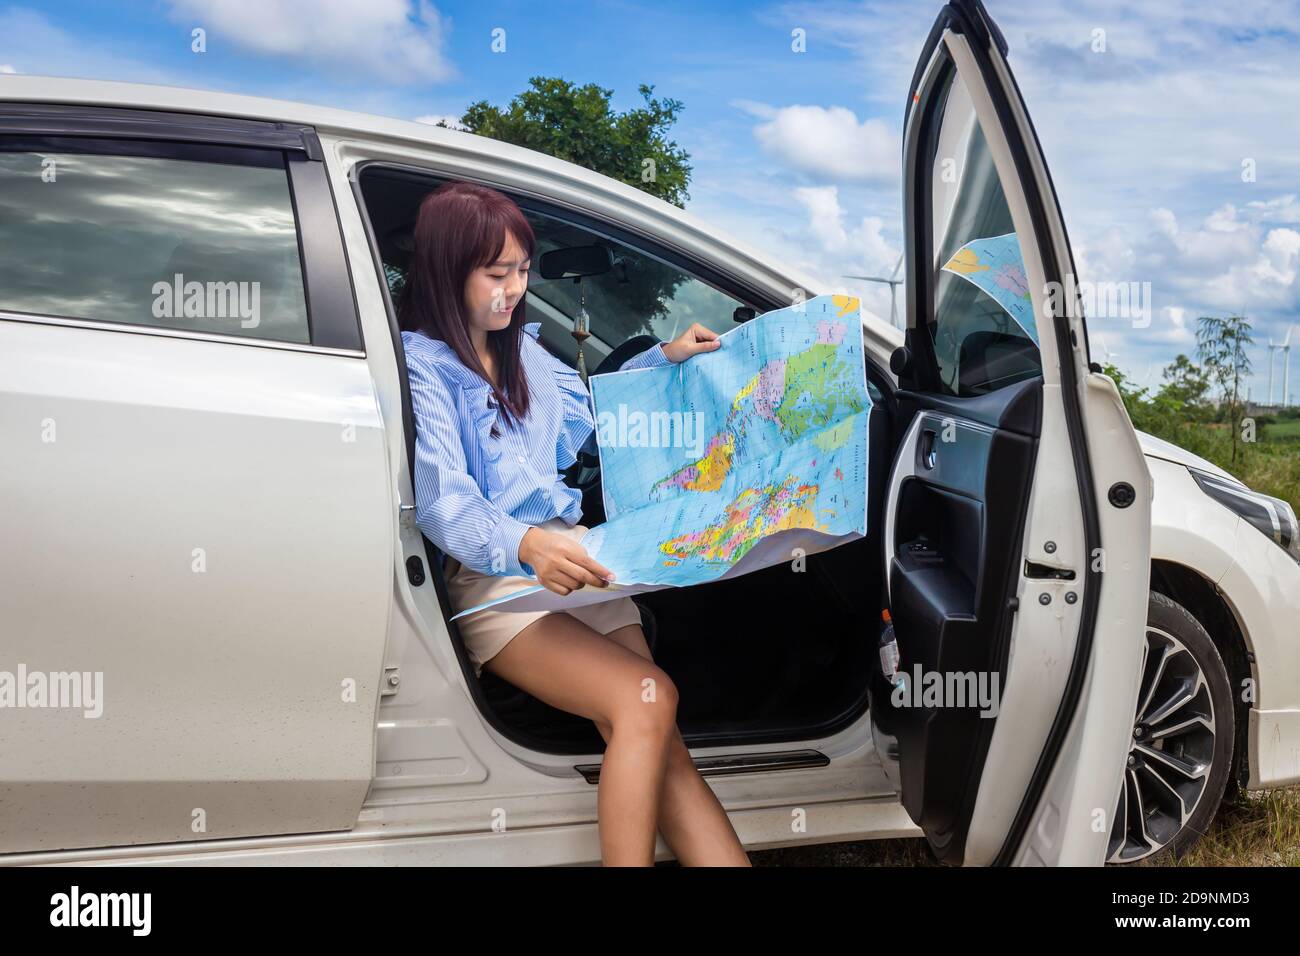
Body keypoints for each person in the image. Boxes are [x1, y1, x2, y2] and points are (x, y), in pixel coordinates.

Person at [397, 180, 751, 867]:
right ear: (447, 269)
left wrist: (664, 360)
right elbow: (444, 501)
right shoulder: (422, 367)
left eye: (523, 272)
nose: (512, 289)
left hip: (580, 565)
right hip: (502, 581)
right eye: (495, 273)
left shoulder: (523, 350)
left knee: (658, 731)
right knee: (651, 701)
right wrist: (525, 543)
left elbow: (594, 409)